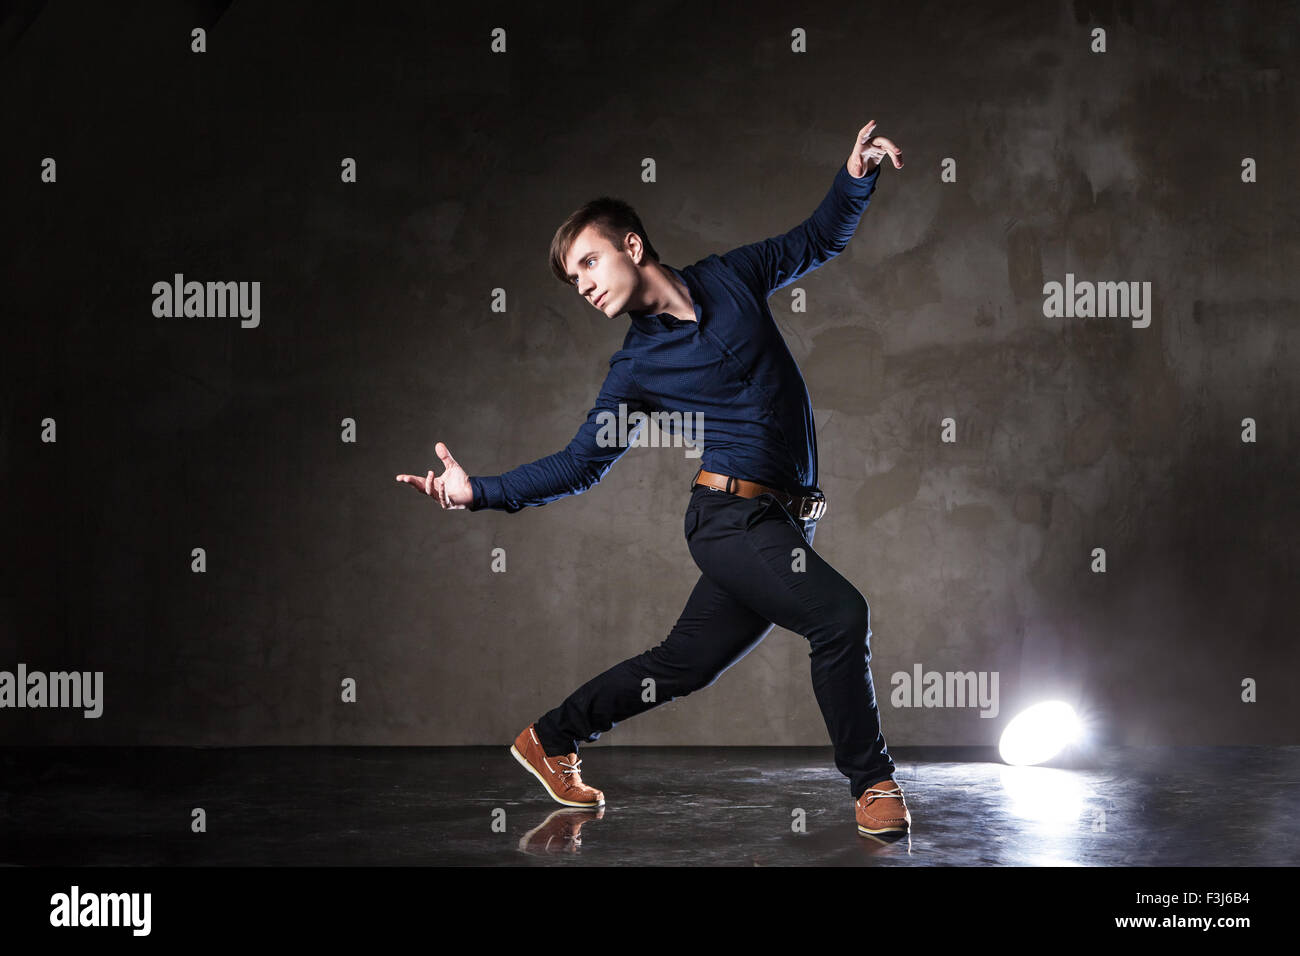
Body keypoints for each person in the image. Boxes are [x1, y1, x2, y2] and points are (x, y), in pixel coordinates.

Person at [397, 120, 911, 839]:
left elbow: (817, 238)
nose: (581, 286)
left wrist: (855, 178)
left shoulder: (734, 276)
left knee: (684, 664)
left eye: (588, 263)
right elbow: (580, 465)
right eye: (571, 278)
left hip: (787, 519)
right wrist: (474, 490)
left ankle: (551, 738)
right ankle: (874, 783)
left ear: (632, 247)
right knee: (840, 617)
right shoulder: (635, 369)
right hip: (730, 520)